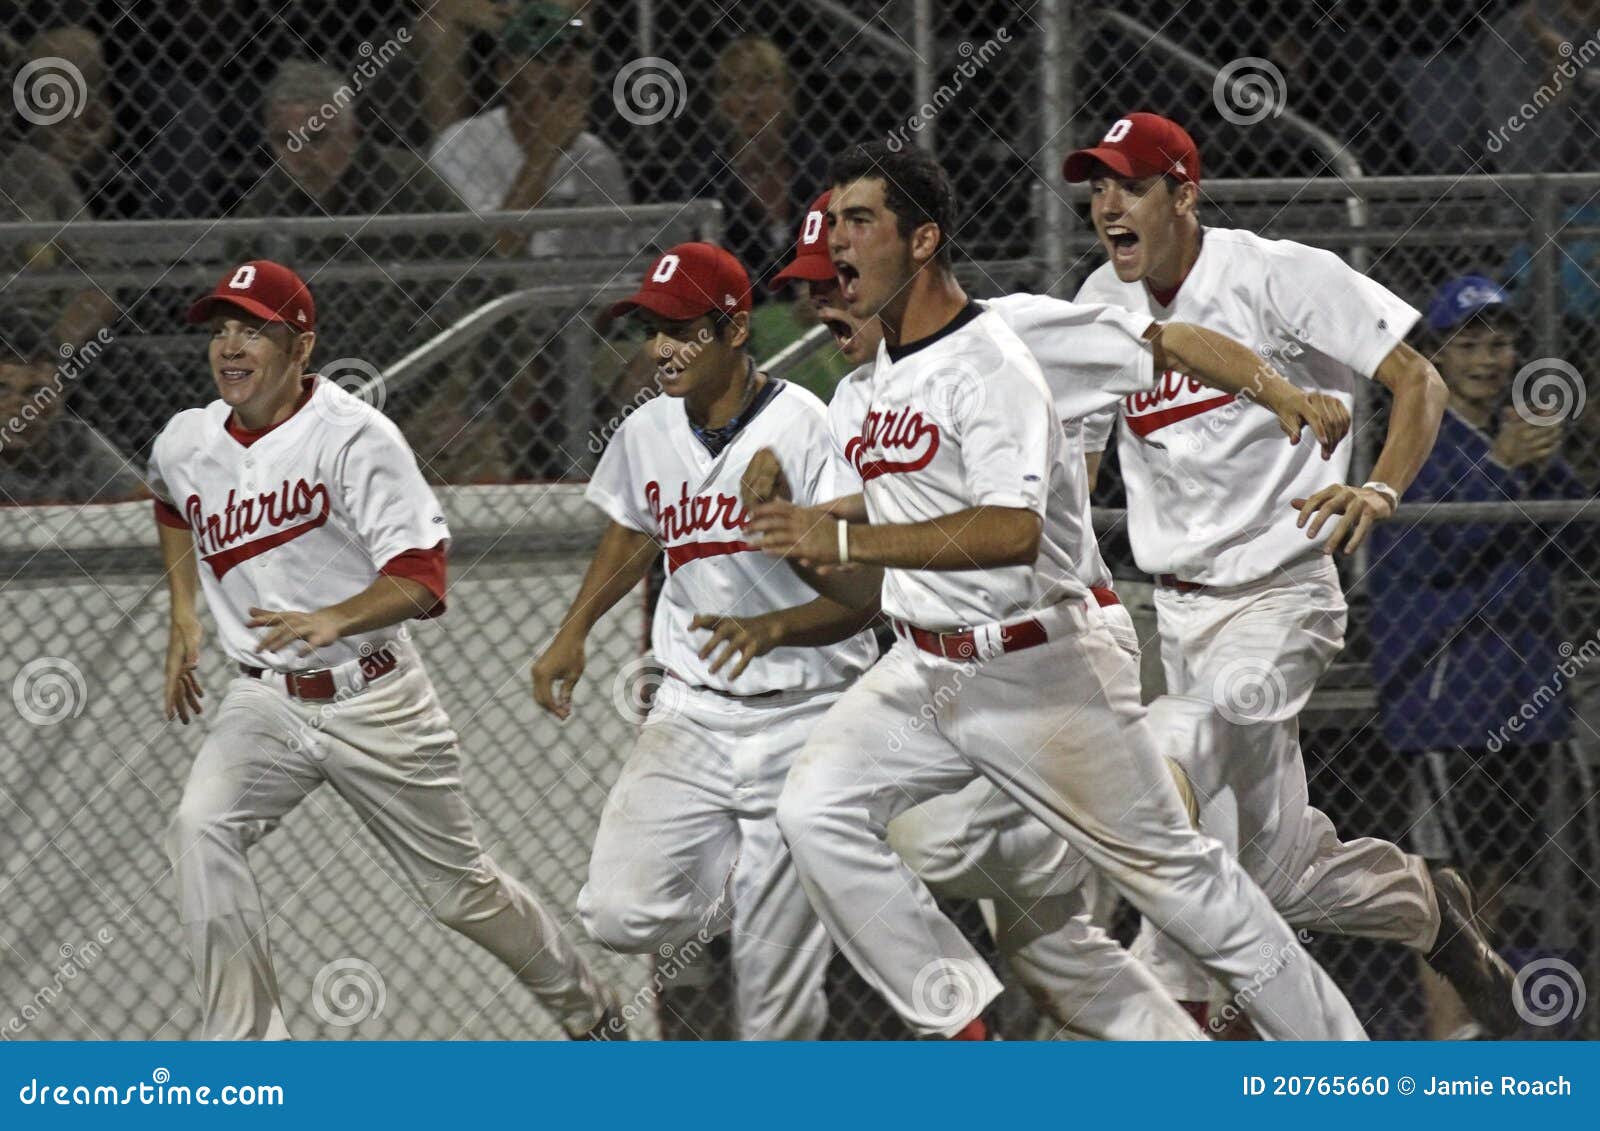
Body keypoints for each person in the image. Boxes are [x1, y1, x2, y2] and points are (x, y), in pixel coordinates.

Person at [753, 141, 1367, 1041]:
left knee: (1180, 883)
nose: (833, 259)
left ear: (922, 241)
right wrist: (795, 522)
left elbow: (1022, 514)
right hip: (927, 671)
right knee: (814, 806)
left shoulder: (1010, 339)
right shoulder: (861, 391)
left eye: (856, 224)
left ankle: (1345, 1067)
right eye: (828, 234)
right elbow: (894, 512)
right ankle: (962, 1026)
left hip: (1041, 662)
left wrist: (1273, 388)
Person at [1062, 111, 1517, 1035]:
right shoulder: (1099, 301)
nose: (1108, 203)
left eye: (1130, 184)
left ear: (1184, 194)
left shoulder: (1277, 275)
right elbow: (1072, 457)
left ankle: (1193, 1049)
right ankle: (1427, 907)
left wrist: (1381, 489)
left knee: (1175, 769)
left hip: (1282, 598)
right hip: (1171, 610)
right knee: (1273, 868)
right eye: (1096, 187)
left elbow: (1416, 379)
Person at [151, 259, 617, 1040]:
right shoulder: (187, 438)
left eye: (253, 330)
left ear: (302, 346)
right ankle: (247, 1054)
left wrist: (338, 615)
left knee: (461, 894)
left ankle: (590, 1011)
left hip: (374, 694)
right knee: (199, 826)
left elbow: (425, 580)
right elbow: (169, 497)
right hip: (265, 697)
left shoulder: (355, 437)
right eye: (221, 328)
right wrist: (183, 615)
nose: (230, 345)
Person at [529, 242, 878, 1039]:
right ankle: (773, 876)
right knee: (616, 911)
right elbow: (633, 533)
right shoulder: (647, 428)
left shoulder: (809, 425)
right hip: (692, 709)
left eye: (683, 330)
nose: (661, 349)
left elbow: (865, 599)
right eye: (652, 330)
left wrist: (791, 522)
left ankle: (782, 882)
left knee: (772, 1009)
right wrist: (572, 630)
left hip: (806, 709)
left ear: (736, 328)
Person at [1372, 276, 1589, 1038]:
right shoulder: (1419, 436)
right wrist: (1500, 466)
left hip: (1521, 696)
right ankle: (1448, 1040)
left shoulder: (1513, 435)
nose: (1490, 358)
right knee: (1448, 887)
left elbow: (1581, 546)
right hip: (1447, 700)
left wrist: (1542, 467)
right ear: (1432, 354)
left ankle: (1486, 1030)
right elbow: (1437, 549)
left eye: (1500, 341)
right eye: (1468, 341)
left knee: (1497, 874)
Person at [231, 59, 475, 368]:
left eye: (316, 138)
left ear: (351, 132)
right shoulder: (266, 203)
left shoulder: (409, 182)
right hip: (311, 369)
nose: (300, 155)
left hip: (416, 360)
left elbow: (483, 273)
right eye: (283, 140)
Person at [427, 1, 631, 259]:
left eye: (571, 58)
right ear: (506, 70)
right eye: (544, 57)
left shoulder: (597, 157)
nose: (565, 73)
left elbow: (619, 269)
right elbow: (490, 257)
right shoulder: (461, 145)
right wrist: (543, 155)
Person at [666, 37, 826, 292]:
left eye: (762, 84)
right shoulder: (701, 180)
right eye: (734, 86)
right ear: (721, 102)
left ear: (786, 95)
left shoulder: (818, 169)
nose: (749, 98)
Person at [0, 306, 139, 504]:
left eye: (36, 392)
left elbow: (147, 500)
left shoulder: (76, 440)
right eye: (2, 390)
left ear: (61, 395)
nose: (19, 407)